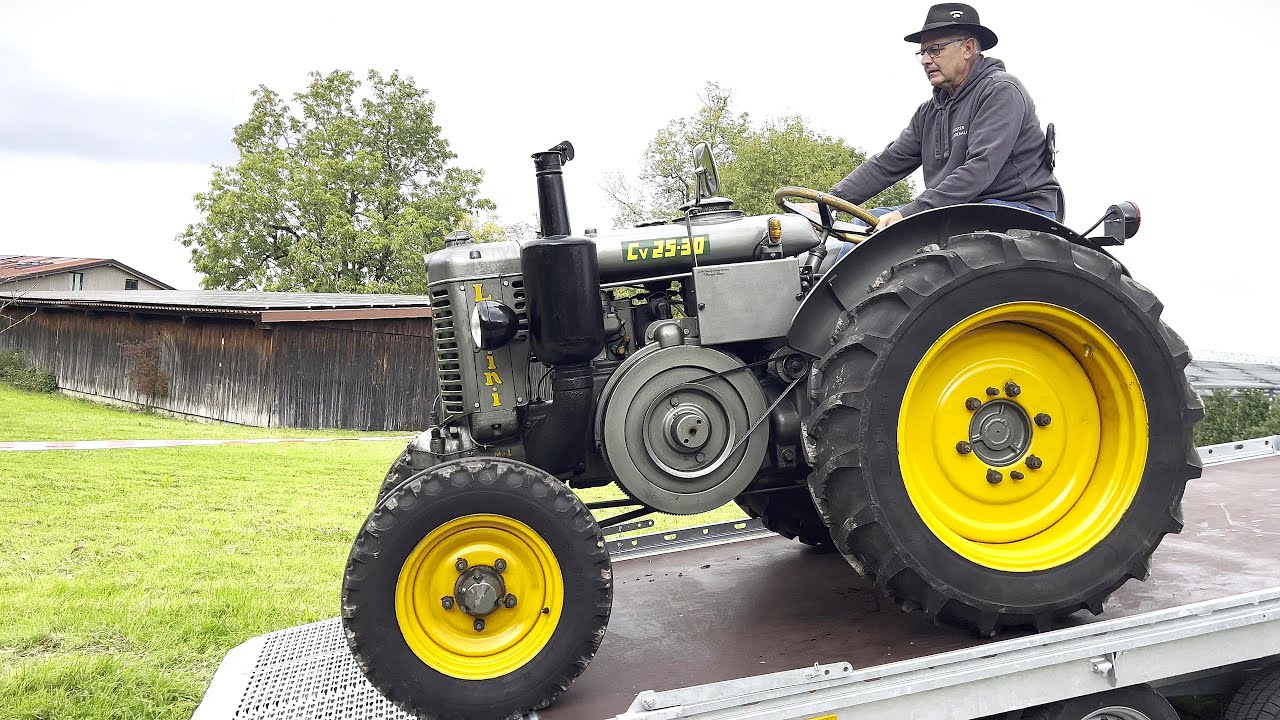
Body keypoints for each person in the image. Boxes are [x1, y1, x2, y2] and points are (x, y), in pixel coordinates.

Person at [829, 3, 1060, 233]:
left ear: (968, 48)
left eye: (935, 50)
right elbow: (886, 165)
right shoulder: (928, 113)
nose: (925, 60)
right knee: (865, 225)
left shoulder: (1001, 91)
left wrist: (908, 213)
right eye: (923, 52)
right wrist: (828, 202)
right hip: (965, 208)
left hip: (1018, 209)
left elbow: (980, 169)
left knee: (899, 230)